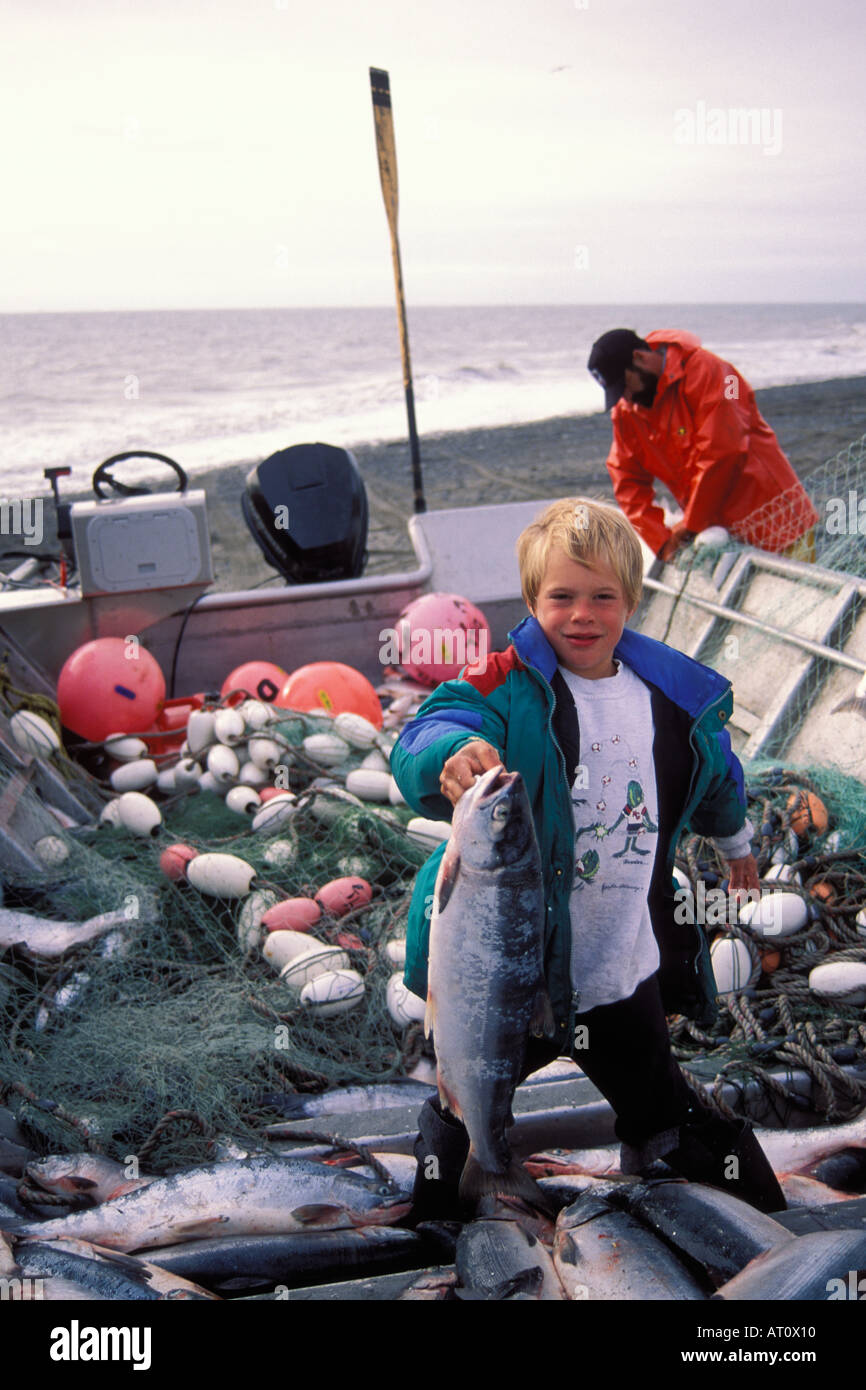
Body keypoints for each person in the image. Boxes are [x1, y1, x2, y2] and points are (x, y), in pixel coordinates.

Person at [391, 498, 785, 1221]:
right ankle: (454, 1192)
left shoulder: (671, 695)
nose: (581, 614)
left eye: (603, 596)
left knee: (686, 1134)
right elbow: (430, 727)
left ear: (631, 600)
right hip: (513, 975)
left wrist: (735, 845)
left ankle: (660, 1172)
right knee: (463, 1115)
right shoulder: (503, 682)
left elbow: (716, 773)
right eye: (560, 597)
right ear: (532, 600)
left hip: (617, 964)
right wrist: (450, 755)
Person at [587, 328, 818, 562]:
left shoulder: (719, 373)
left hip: (778, 523)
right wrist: (662, 541)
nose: (625, 396)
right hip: (718, 535)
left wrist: (690, 523)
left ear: (639, 358)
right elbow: (626, 479)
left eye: (625, 384)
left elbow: (725, 449)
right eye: (617, 392)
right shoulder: (628, 412)